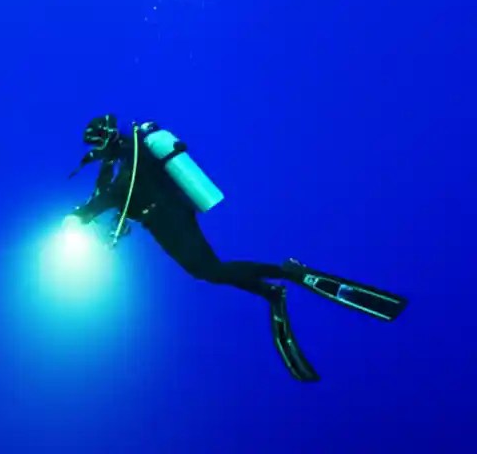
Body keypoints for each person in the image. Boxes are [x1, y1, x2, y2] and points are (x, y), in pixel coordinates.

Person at [67, 114, 407, 382]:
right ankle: (274, 288)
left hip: (167, 219)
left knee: (210, 271)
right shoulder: (130, 158)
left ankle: (286, 276)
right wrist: (89, 211)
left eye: (97, 144)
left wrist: (79, 216)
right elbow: (110, 196)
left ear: (106, 138)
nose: (98, 152)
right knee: (213, 270)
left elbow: (112, 196)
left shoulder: (133, 159)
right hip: (170, 218)